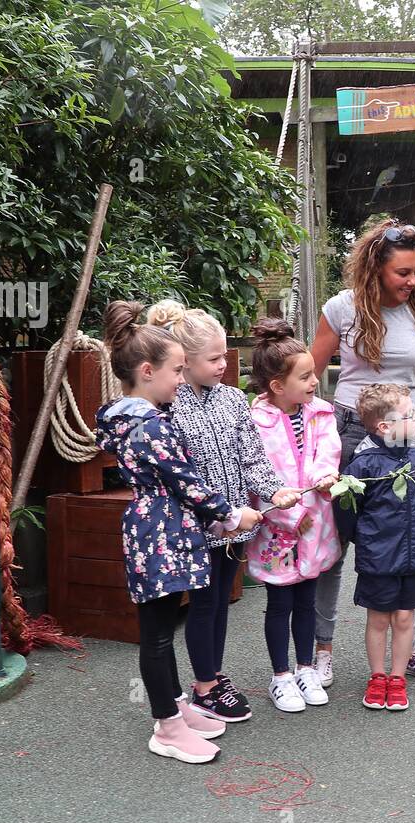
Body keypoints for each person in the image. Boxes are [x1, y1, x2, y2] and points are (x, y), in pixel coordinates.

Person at [308, 218, 415, 688]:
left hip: (405, 432)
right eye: (403, 272)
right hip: (345, 430)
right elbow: (310, 380)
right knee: (336, 544)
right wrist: (309, 442)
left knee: (402, 539)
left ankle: (402, 645)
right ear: (375, 269)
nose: (413, 280)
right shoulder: (343, 310)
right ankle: (322, 648)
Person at [95, 301, 263, 764]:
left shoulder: (134, 417)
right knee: (157, 633)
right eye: (176, 371)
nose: (180, 380)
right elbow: (186, 483)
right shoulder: (149, 424)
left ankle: (175, 709)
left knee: (165, 626)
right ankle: (166, 726)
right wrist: (234, 515)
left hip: (163, 528)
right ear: (148, 371)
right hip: (160, 532)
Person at [147, 299, 300, 725]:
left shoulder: (233, 399)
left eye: (224, 355)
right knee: (202, 604)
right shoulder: (167, 406)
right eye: (213, 358)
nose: (223, 364)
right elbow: (174, 474)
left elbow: (252, 458)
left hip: (236, 528)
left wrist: (274, 492)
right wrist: (220, 512)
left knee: (219, 603)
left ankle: (212, 676)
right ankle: (205, 687)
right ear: (185, 361)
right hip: (197, 526)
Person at [246, 320, 343, 713]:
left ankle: (306, 667)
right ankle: (281, 675)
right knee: (279, 602)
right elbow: (259, 474)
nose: (314, 382)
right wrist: (289, 514)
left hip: (315, 522)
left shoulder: (321, 413)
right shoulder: (257, 421)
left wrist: (325, 478)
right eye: (304, 377)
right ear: (277, 386)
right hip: (278, 528)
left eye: (313, 374)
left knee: (307, 601)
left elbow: (327, 452)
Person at [334, 383, 415, 711]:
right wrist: (365, 539)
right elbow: (346, 508)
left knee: (405, 617)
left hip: (414, 555)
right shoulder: (363, 466)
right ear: (385, 426)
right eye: (409, 415)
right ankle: (377, 675)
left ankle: (398, 677)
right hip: (378, 558)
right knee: (379, 618)